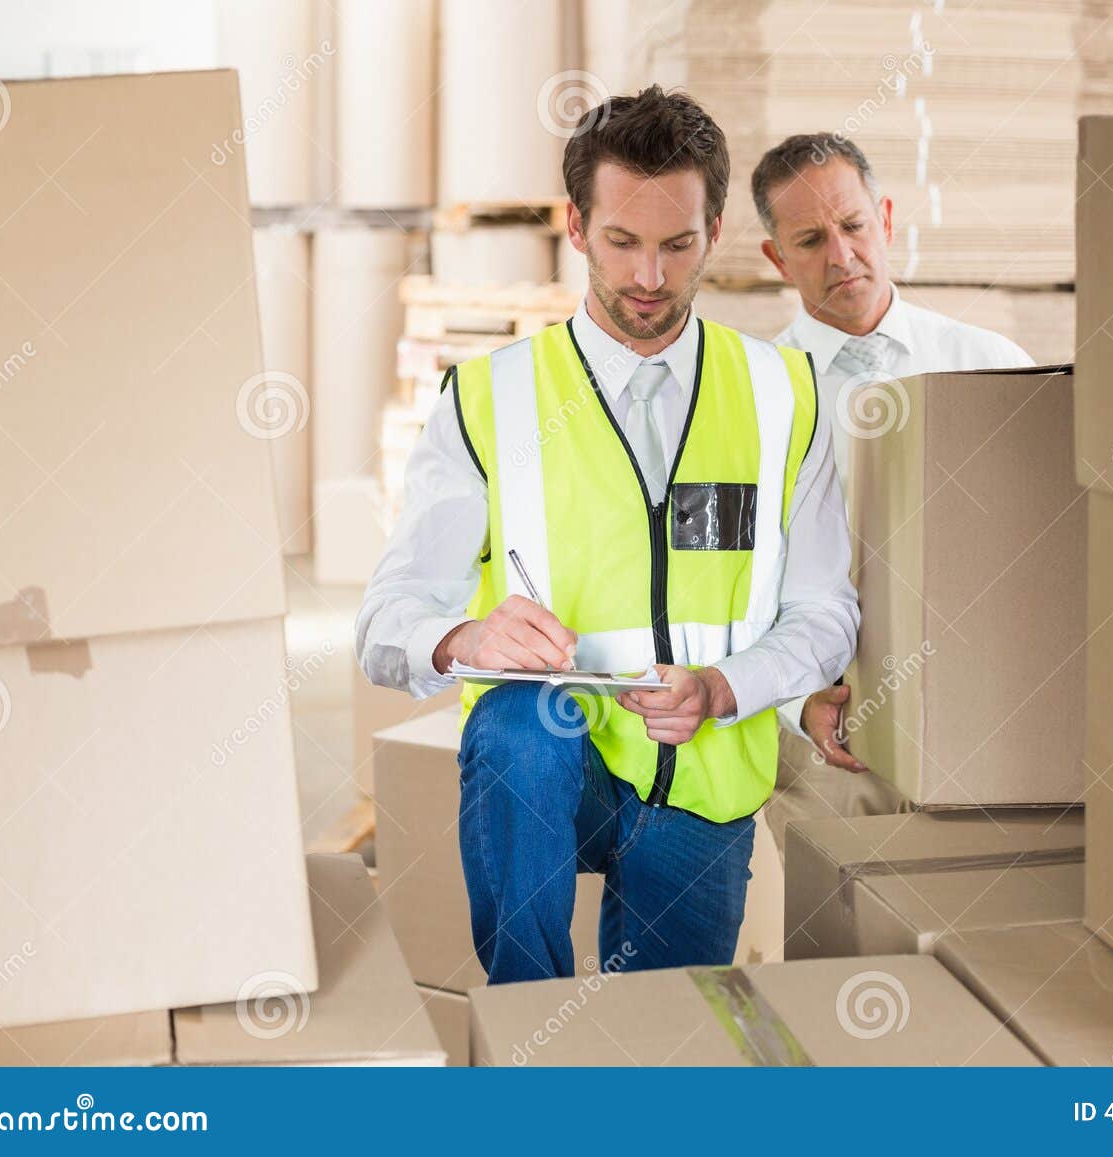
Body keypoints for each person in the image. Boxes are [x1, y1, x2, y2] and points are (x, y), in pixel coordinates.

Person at [355, 90, 858, 984]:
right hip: (558, 764)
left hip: (704, 778)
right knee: (516, 722)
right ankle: (525, 1029)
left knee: (662, 1064)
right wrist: (464, 637)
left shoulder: (787, 394)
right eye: (623, 243)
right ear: (578, 228)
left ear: (715, 232)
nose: (650, 279)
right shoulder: (489, 398)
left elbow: (825, 612)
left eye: (678, 245)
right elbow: (386, 621)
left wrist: (723, 686)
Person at [750, 132, 1035, 844]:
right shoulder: (753, 402)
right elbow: (725, 585)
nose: (841, 256)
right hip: (828, 737)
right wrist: (794, 700)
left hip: (988, 722)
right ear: (777, 258)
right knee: (848, 942)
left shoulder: (993, 366)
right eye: (811, 240)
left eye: (851, 226)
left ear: (884, 217)